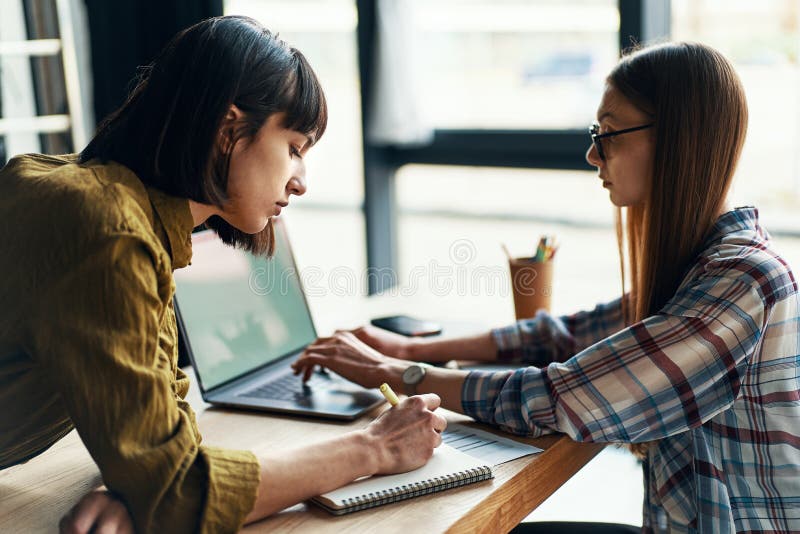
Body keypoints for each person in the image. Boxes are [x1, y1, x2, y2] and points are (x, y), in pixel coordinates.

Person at [293, 42, 800, 533]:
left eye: (609, 133)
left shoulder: (743, 280)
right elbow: (569, 335)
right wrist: (414, 347)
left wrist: (398, 374)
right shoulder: (703, 266)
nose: (592, 154)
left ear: (678, 139)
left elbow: (566, 395)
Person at [0, 16, 447, 534]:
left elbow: (169, 451)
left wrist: (133, 486)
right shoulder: (110, 230)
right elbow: (177, 491)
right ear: (229, 130)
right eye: (295, 149)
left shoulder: (113, 208)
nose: (300, 182)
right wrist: (375, 447)